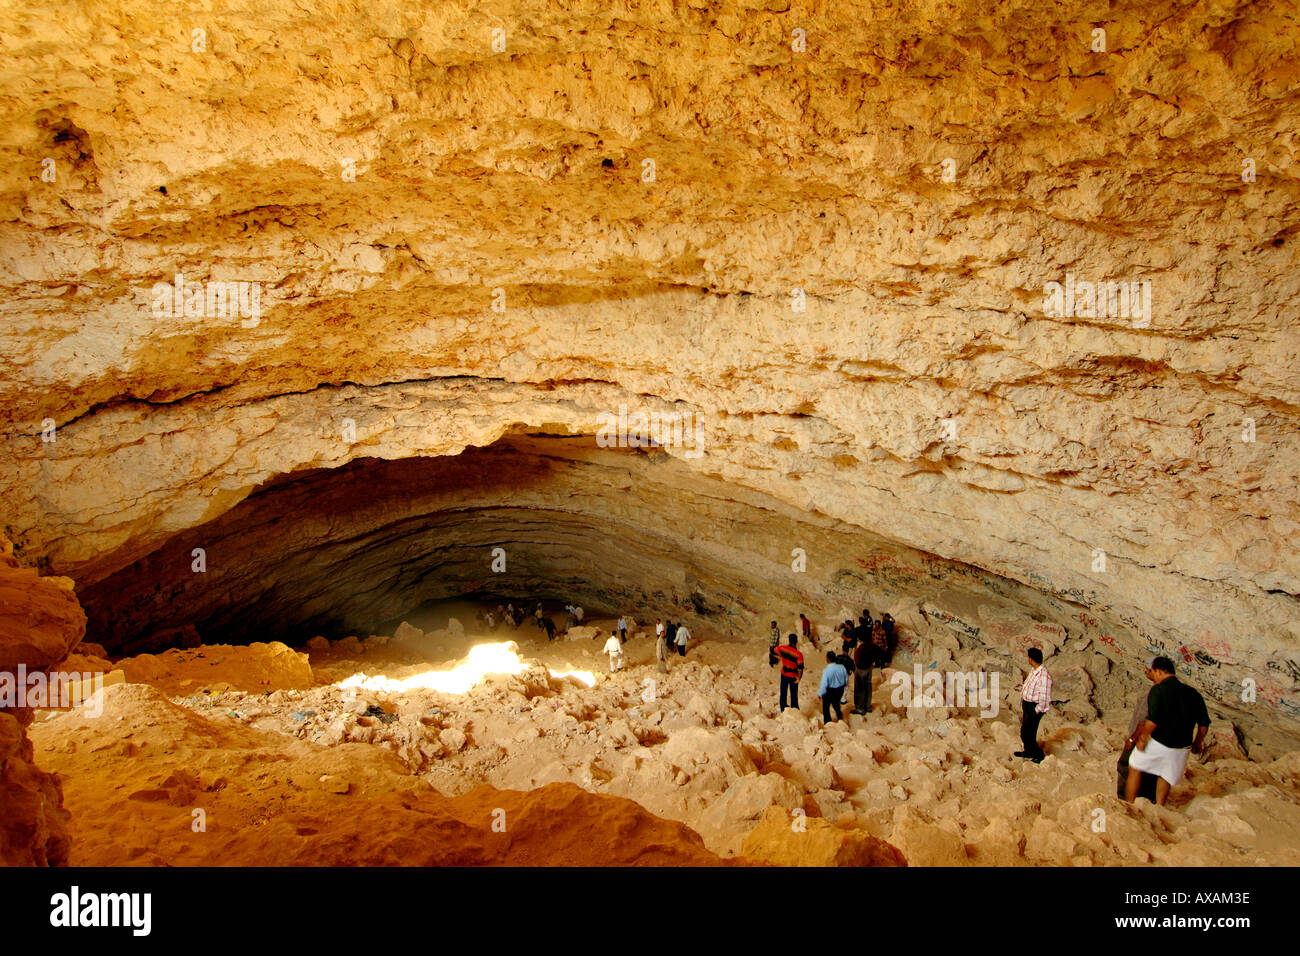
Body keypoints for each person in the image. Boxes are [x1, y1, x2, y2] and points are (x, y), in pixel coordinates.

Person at [1125, 656, 1211, 806]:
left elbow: (1153, 720)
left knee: (1135, 766)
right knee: (1165, 775)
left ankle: (1129, 804)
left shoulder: (1158, 690)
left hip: (1160, 742)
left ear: (1158, 672)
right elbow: (1204, 724)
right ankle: (1159, 806)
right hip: (1181, 747)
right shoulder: (1193, 693)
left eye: (1152, 672)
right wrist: (1198, 742)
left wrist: (1142, 738)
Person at [1118, 658, 1159, 801]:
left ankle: (1125, 801)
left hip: (1141, 738)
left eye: (1149, 670)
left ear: (1157, 672)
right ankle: (1148, 801)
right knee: (1148, 772)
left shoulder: (1154, 694)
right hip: (1154, 741)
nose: (1146, 671)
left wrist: (1132, 739)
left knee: (1125, 767)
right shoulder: (1163, 693)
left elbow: (1143, 721)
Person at [1016, 647, 1052, 762]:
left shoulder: (1044, 676)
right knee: (1027, 731)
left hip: (1034, 707)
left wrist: (1036, 711)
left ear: (1031, 659)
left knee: (1026, 733)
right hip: (1028, 704)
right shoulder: (1034, 671)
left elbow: (1045, 698)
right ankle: (1028, 752)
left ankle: (1039, 755)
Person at [818, 651, 848, 724]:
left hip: (830, 691)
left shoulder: (827, 670)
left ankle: (828, 722)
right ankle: (840, 717)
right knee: (836, 704)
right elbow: (846, 679)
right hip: (840, 690)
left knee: (826, 707)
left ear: (828, 659)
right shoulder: (842, 667)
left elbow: (824, 684)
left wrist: (820, 693)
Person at [776, 635, 804, 711]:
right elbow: (800, 668)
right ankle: (794, 709)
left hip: (784, 674)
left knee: (783, 692)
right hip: (793, 676)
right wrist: (799, 678)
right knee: (794, 694)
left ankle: (783, 708)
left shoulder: (782, 648)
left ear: (789, 640)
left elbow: (774, 651)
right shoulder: (798, 654)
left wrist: (777, 660)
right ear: (796, 641)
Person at [852, 634, 874, 715]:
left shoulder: (859, 649)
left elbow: (857, 660)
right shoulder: (871, 647)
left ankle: (860, 708)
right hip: (869, 669)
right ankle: (868, 706)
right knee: (868, 687)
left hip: (861, 670)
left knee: (860, 689)